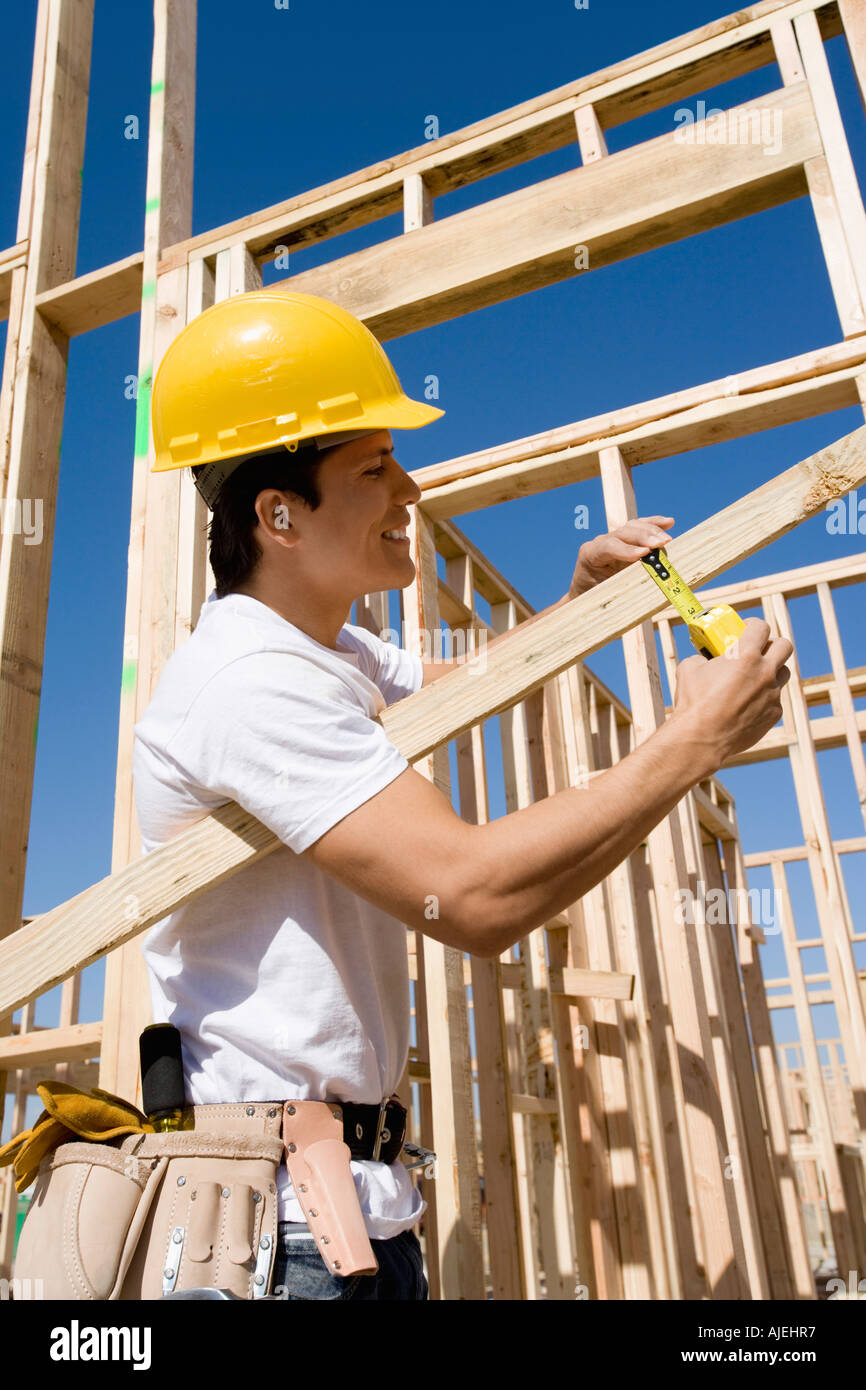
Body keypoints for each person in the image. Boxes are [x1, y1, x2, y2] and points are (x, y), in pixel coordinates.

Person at [133, 289, 792, 1301]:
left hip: (349, 1209)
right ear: (278, 515)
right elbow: (472, 895)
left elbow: (472, 692)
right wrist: (691, 739)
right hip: (277, 1240)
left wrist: (583, 604)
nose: (409, 484)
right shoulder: (249, 681)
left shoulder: (326, 649)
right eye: (373, 466)